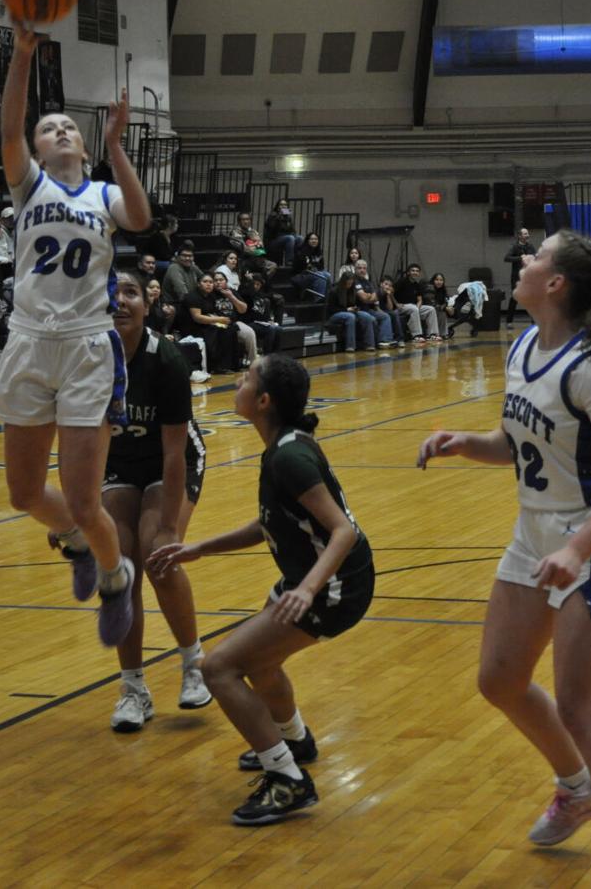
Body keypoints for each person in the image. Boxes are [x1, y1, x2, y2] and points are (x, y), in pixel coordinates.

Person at [416, 230, 591, 888]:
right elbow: (519, 439)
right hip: (534, 538)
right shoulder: (526, 344)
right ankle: (576, 788)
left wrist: (578, 547)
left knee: (584, 707)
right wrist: (467, 441)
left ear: (555, 284)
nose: (523, 261)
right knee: (498, 679)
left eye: (536, 256)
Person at [148, 354, 375, 826]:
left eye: (247, 377)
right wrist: (200, 549)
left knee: (219, 668)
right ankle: (294, 740)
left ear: (264, 400)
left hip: (332, 586)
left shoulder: (289, 456)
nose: (239, 380)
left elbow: (342, 531)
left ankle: (286, 779)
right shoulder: (284, 446)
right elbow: (272, 522)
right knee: (262, 664)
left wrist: (308, 588)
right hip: (321, 580)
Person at [0, 19, 151, 647]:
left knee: (88, 498)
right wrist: (23, 54)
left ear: (82, 149)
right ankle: (81, 546)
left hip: (87, 344)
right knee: (22, 493)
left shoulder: (105, 192)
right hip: (29, 341)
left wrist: (115, 144)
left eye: (69, 128)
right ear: (35, 148)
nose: (59, 130)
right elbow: (8, 126)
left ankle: (116, 578)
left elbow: (140, 218)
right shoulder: (27, 185)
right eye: (48, 127)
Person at [98, 270, 212, 732]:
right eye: (112, 294)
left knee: (158, 554)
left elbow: (172, 452)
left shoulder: (165, 359)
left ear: (148, 303)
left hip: (174, 459)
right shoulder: (89, 358)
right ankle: (133, 689)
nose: (121, 302)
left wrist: (167, 524)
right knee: (119, 571)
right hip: (119, 461)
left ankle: (194, 665)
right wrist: (72, 515)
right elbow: (83, 441)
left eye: (131, 293)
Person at [185, 271, 237, 373]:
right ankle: (215, 366)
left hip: (206, 323)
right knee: (216, 331)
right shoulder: (193, 296)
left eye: (210, 282)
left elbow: (211, 313)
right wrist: (219, 319)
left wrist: (222, 320)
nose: (208, 284)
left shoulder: (210, 296)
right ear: (198, 283)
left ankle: (231, 365)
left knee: (230, 329)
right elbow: (197, 317)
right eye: (205, 281)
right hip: (192, 326)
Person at [325, 267, 374, 353]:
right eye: (348, 283)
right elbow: (331, 309)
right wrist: (347, 309)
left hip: (349, 311)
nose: (349, 285)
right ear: (343, 282)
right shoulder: (334, 291)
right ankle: (350, 346)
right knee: (350, 316)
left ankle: (369, 345)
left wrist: (356, 308)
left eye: (351, 283)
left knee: (367, 316)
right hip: (334, 315)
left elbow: (356, 303)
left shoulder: (352, 290)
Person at [213, 270, 257, 366]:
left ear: (226, 281)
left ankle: (253, 362)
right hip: (217, 323)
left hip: (234, 322)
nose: (218, 282)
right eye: (216, 280)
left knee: (249, 332)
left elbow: (243, 310)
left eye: (221, 280)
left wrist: (231, 297)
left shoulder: (232, 292)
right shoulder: (210, 293)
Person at [352, 259, 394, 349]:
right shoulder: (354, 281)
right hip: (357, 309)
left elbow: (374, 297)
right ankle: (369, 345)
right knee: (370, 318)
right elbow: (363, 299)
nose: (362, 270)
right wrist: (369, 296)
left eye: (364, 268)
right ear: (355, 269)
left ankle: (384, 341)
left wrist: (369, 297)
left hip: (368, 309)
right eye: (359, 268)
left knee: (385, 316)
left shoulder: (367, 282)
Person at [394, 263, 440, 343]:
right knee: (413, 308)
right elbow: (391, 293)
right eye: (413, 271)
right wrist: (396, 304)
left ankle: (432, 334)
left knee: (430, 309)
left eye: (417, 271)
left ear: (419, 273)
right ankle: (416, 336)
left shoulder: (416, 285)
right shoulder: (402, 282)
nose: (415, 272)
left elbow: (420, 300)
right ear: (408, 272)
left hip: (414, 307)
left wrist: (418, 308)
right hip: (402, 307)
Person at [504, 227, 535, 328]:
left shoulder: (530, 246)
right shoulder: (515, 247)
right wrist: (520, 258)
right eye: (525, 234)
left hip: (529, 276)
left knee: (531, 298)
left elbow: (536, 256)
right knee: (514, 298)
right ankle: (509, 321)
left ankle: (534, 321)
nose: (527, 235)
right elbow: (507, 258)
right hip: (516, 277)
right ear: (520, 236)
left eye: (527, 233)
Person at [290, 231, 331, 300]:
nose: (314, 241)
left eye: (316, 239)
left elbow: (321, 266)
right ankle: (319, 299)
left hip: (314, 273)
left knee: (327, 275)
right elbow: (299, 267)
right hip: (302, 275)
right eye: (312, 239)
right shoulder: (302, 251)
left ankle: (326, 298)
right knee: (320, 275)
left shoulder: (319, 252)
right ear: (307, 240)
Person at [263, 198, 303, 268]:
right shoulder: (273, 215)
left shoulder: (288, 217)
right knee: (290, 238)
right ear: (277, 206)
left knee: (300, 238)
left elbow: (292, 230)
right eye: (281, 204)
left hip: (286, 238)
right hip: (273, 240)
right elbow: (271, 229)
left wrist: (294, 235)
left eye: (285, 205)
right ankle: (289, 262)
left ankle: (298, 261)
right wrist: (279, 216)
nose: (283, 206)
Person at [427, 272, 452, 339]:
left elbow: (446, 301)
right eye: (437, 280)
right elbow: (432, 303)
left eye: (441, 280)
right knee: (441, 312)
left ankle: (442, 334)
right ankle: (438, 334)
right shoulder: (429, 289)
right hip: (429, 310)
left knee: (442, 313)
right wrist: (444, 308)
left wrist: (448, 307)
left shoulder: (443, 290)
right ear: (433, 281)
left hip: (438, 310)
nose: (439, 282)